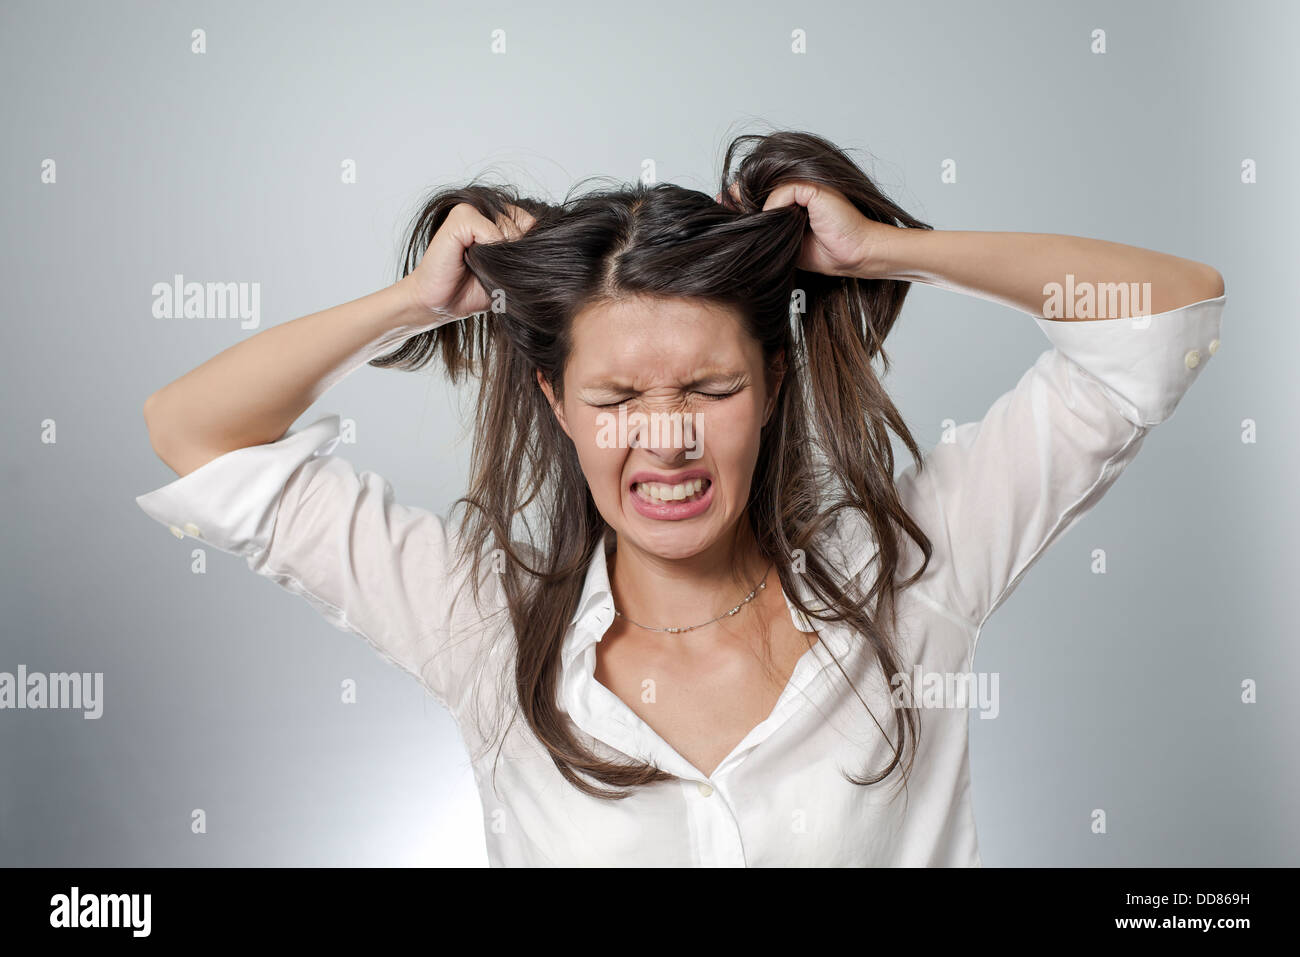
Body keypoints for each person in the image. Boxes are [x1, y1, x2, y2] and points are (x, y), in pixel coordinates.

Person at [137, 131, 1226, 866]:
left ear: (772, 386)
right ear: (556, 401)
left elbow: (1162, 318)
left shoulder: (913, 577)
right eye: (615, 397)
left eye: (709, 389)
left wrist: (884, 251)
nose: (664, 439)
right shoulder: (482, 624)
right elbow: (197, 434)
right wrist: (419, 302)